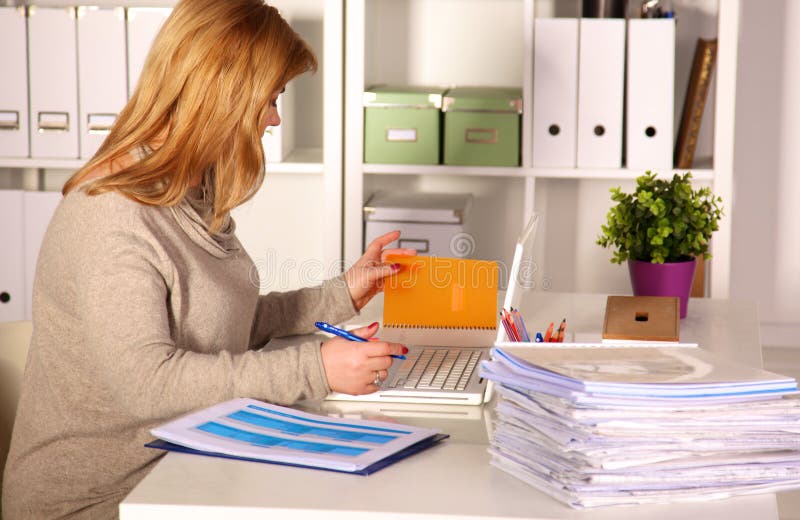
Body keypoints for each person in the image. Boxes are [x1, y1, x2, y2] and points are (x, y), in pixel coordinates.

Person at [1, 1, 412, 518]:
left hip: (179, 463)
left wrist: (341, 294)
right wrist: (316, 368)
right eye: (271, 97)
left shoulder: (187, 188)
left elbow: (215, 324)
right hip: (102, 501)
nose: (275, 117)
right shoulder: (112, 218)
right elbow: (148, 383)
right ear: (222, 95)